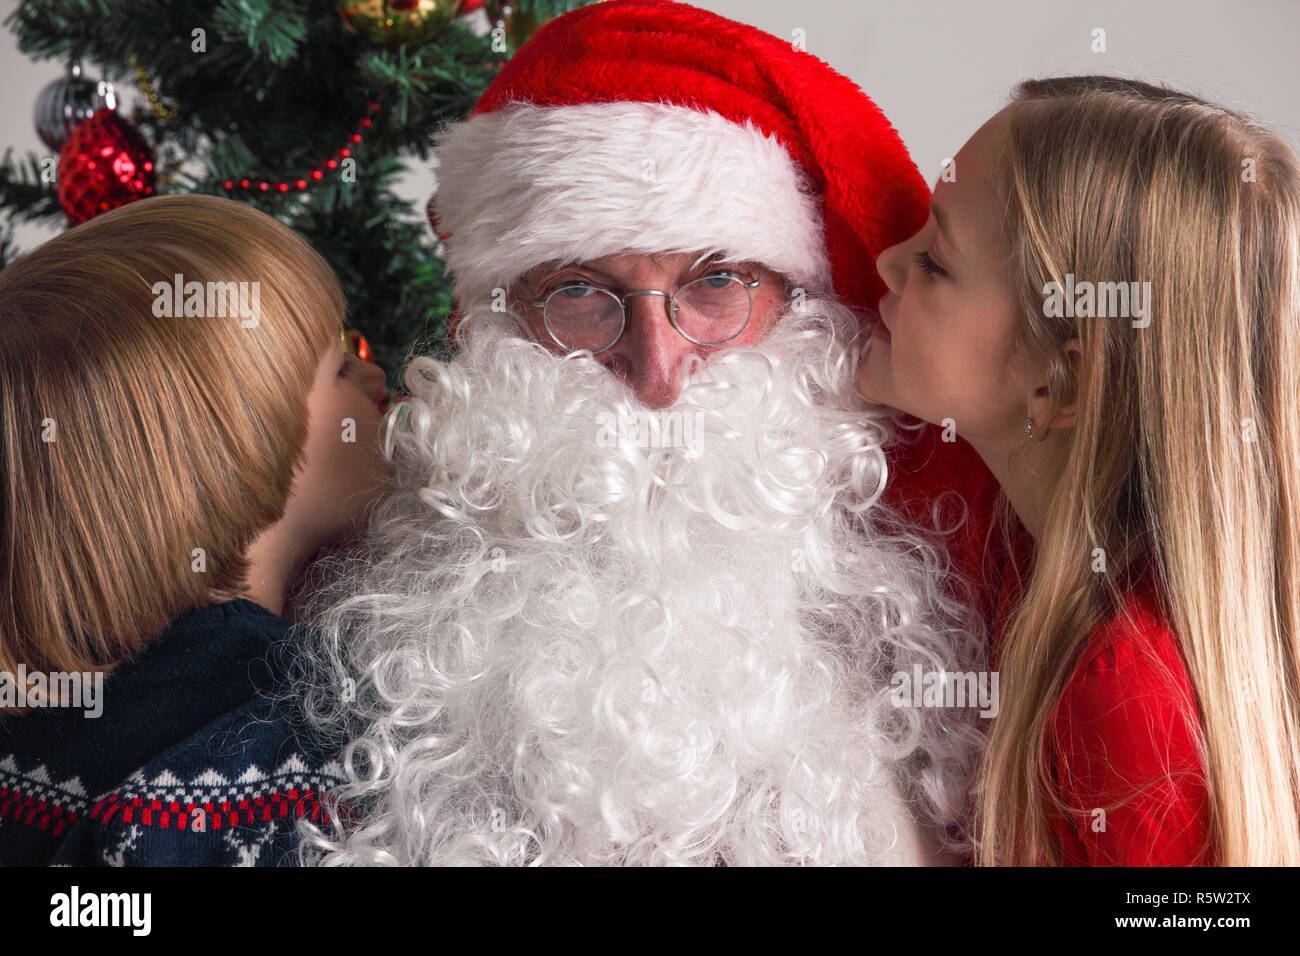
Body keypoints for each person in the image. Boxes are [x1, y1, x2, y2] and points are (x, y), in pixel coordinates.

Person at [301, 0, 997, 866]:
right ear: (501, 323)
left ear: (802, 301)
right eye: (582, 294)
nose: (659, 370)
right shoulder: (383, 627)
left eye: (714, 282)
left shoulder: (961, 600)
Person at [857, 75, 1300, 865]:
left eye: (935, 261)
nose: (887, 261)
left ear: (1054, 383)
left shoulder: (1126, 690)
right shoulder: (1014, 552)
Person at [0, 194, 389, 865]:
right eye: (341, 367)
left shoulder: (41, 716)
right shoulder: (299, 734)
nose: (378, 376)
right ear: (241, 447)